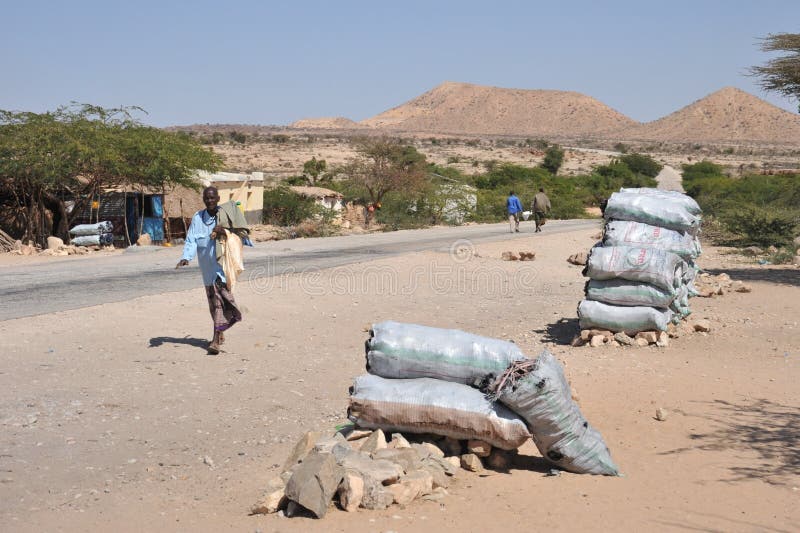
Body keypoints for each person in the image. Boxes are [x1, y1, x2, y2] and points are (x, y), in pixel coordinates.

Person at [176, 186, 251, 354]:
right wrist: (186, 257)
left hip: (222, 266)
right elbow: (191, 239)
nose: (209, 201)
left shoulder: (224, 216)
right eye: (206, 198)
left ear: (218, 199)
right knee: (212, 303)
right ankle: (220, 330)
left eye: (212, 198)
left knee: (219, 301)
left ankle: (215, 340)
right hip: (206, 268)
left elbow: (240, 235)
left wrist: (223, 230)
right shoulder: (198, 217)